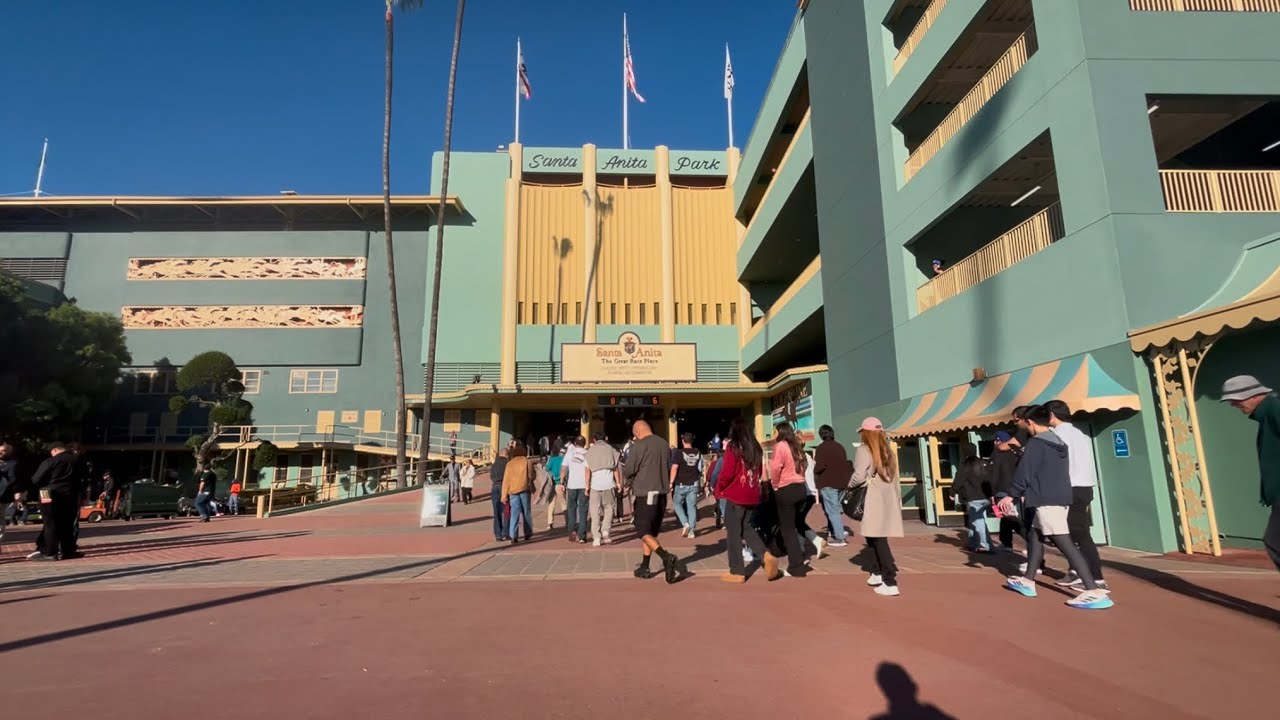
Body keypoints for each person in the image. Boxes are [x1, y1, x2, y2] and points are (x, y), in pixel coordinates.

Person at [998, 406, 1112, 609]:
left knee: (1063, 541)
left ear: (1030, 422)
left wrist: (1010, 495)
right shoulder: (1058, 442)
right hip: (1057, 496)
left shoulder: (1036, 443)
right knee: (1035, 536)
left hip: (1045, 498)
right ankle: (1028, 580)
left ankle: (1093, 589)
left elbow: (1025, 472)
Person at [1220, 375, 1280, 571]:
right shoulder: (1268, 414)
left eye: (1236, 400)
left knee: (1274, 541)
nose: (1233, 405)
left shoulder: (1275, 410)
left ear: (1253, 395)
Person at [1045, 400, 1107, 589]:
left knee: (1079, 534)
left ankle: (1096, 578)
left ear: (1051, 415)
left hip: (1070, 488)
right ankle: (1076, 571)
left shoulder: (1057, 435)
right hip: (1083, 487)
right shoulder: (1079, 434)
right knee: (1070, 533)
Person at [622, 420, 685, 583]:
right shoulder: (664, 444)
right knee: (650, 532)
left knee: (642, 531)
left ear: (637, 432)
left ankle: (666, 557)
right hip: (661, 494)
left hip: (646, 494)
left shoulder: (639, 446)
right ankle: (645, 566)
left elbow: (629, 469)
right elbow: (668, 466)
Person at [713, 417, 771, 583]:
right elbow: (760, 471)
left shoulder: (733, 447)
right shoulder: (756, 448)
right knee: (746, 528)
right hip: (752, 494)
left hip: (735, 495)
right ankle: (765, 555)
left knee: (733, 533)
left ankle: (737, 570)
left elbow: (727, 472)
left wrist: (719, 487)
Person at [851, 418, 904, 596]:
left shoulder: (864, 450)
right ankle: (877, 572)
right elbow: (896, 479)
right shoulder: (888, 451)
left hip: (873, 498)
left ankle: (889, 580)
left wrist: (848, 485)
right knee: (873, 537)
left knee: (878, 539)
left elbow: (859, 476)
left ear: (865, 433)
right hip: (887, 498)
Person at [767, 422, 810, 579]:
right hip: (800, 487)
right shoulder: (796, 446)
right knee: (793, 526)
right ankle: (798, 558)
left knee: (788, 529)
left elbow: (775, 467)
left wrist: (775, 485)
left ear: (780, 432)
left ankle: (796, 566)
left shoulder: (780, 446)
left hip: (786, 488)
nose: (773, 435)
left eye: (774, 432)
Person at [29, 443, 83, 561]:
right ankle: (68, 551)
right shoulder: (77, 460)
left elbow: (36, 479)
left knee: (50, 523)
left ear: (55, 450)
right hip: (71, 494)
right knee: (67, 523)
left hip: (49, 492)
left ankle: (51, 552)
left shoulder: (51, 461)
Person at [812, 424, 852, 547]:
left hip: (828, 483)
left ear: (821, 435)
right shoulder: (840, 447)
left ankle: (840, 538)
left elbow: (819, 466)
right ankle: (834, 531)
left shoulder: (821, 448)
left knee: (832, 511)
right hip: (842, 483)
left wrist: (814, 472)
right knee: (835, 509)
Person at [951, 443, 993, 553]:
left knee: (977, 521)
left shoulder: (966, 465)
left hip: (974, 497)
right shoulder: (984, 463)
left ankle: (984, 545)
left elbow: (959, 479)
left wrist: (952, 492)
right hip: (986, 496)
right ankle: (973, 542)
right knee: (976, 520)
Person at [989, 431, 1023, 551]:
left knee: (1008, 517)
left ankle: (1030, 539)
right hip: (1015, 489)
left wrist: (992, 492)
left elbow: (994, 473)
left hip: (1002, 489)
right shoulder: (1017, 453)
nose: (994, 442)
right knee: (1005, 517)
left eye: (996, 440)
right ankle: (1006, 543)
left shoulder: (997, 453)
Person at [585, 432, 620, 546]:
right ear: (606, 438)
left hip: (595, 485)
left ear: (594, 440)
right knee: (609, 508)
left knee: (595, 511)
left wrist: (587, 486)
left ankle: (596, 537)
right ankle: (605, 530)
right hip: (608, 484)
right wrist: (618, 483)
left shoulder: (589, 452)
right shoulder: (611, 450)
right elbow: (615, 469)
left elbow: (587, 471)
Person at [500, 441, 536, 544]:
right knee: (526, 512)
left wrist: (504, 495)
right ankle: (527, 532)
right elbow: (532, 476)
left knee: (514, 513)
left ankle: (513, 535)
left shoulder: (510, 464)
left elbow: (506, 481)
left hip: (513, 491)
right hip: (524, 490)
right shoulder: (527, 461)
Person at [670, 433, 703, 538]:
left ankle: (685, 523)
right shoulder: (698, 452)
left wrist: (671, 482)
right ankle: (692, 531)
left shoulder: (678, 453)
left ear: (683, 441)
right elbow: (700, 468)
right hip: (694, 483)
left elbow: (674, 468)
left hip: (681, 483)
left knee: (677, 503)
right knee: (691, 506)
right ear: (691, 441)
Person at [563, 436, 590, 543]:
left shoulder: (569, 453)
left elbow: (564, 468)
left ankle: (572, 531)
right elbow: (588, 470)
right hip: (583, 484)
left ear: (575, 443)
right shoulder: (587, 454)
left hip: (571, 485)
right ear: (585, 443)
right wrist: (588, 485)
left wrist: (561, 482)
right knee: (583, 510)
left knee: (571, 509)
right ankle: (582, 535)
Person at [489, 449, 510, 542]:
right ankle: (505, 532)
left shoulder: (494, 464)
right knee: (506, 510)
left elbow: (491, 476)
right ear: (506, 455)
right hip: (503, 486)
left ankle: (498, 534)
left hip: (494, 486)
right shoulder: (507, 464)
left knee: (496, 511)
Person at [544, 448, 566, 530]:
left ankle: (550, 523)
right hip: (561, 484)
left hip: (552, 484)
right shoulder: (565, 461)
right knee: (563, 503)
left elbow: (546, 469)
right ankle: (568, 522)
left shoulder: (553, 459)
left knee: (551, 504)